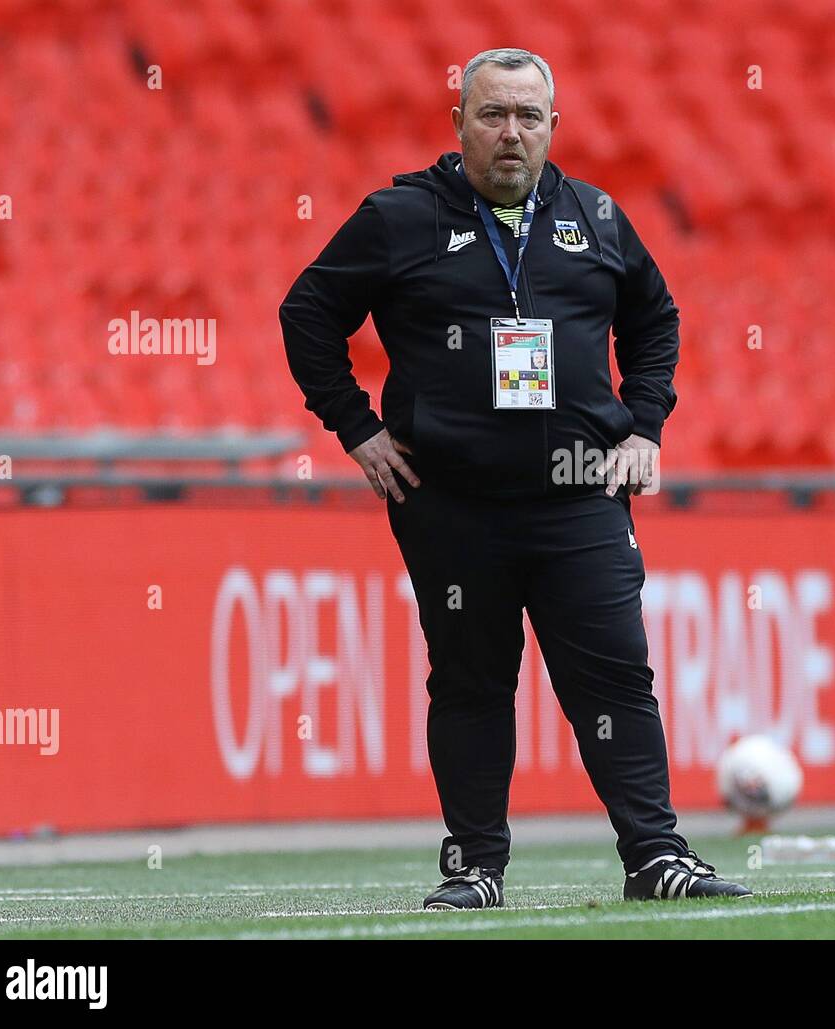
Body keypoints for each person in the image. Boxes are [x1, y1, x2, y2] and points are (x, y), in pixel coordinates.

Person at [279, 47, 750, 908]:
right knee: (470, 681)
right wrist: (357, 429)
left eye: (529, 118)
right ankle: (475, 869)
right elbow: (307, 312)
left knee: (615, 678)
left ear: (553, 128)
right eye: (493, 114)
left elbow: (657, 318)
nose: (511, 134)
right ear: (457, 123)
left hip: (579, 499)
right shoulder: (400, 217)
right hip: (452, 503)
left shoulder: (597, 218)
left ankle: (657, 856)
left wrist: (645, 426)